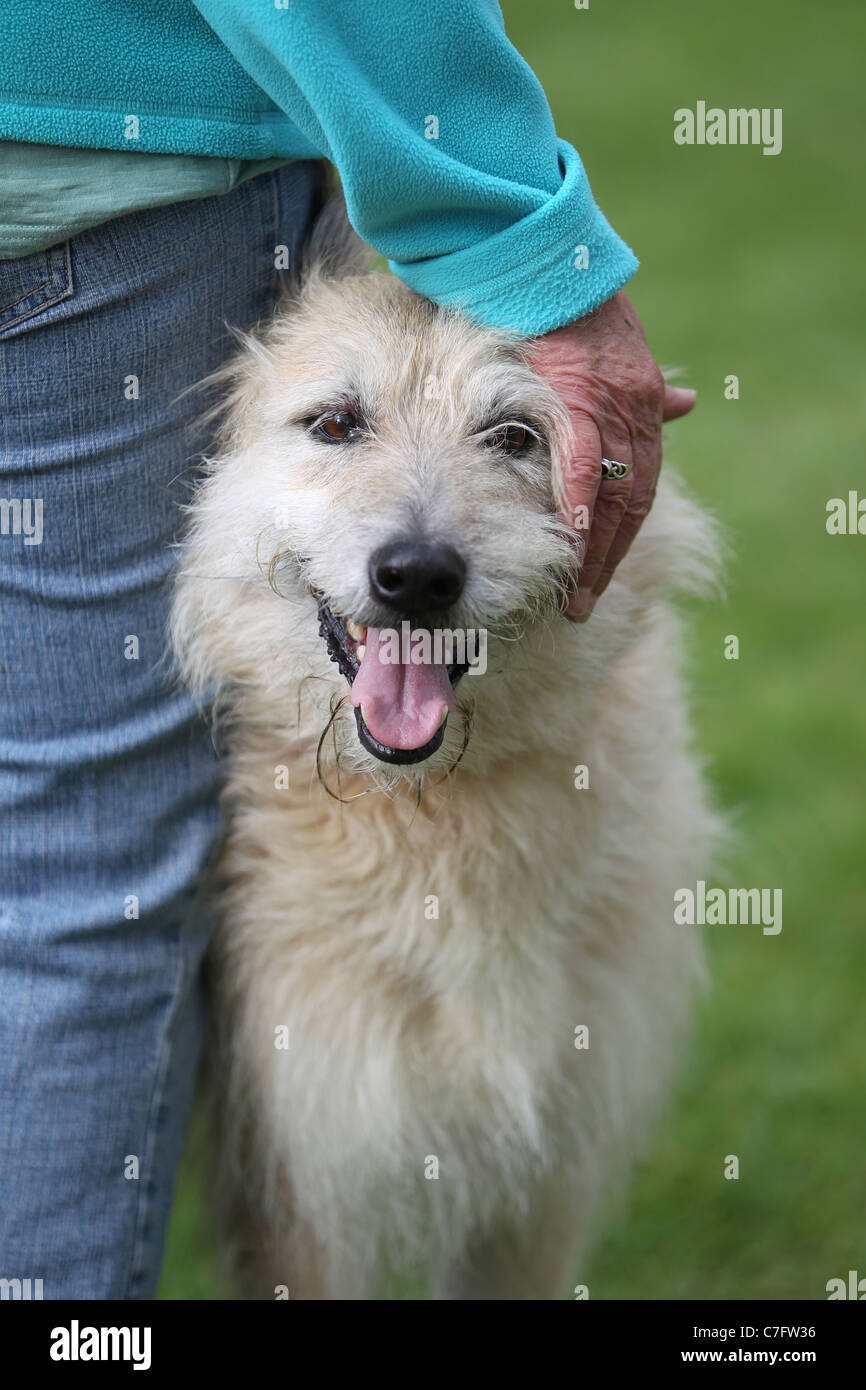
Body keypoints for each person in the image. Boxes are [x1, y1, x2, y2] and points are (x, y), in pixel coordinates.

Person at [0, 1, 696, 1298]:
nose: (415, 541)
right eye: (332, 423)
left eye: (510, 439)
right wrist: (525, 246)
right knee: (80, 888)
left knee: (62, 866)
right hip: (119, 193)